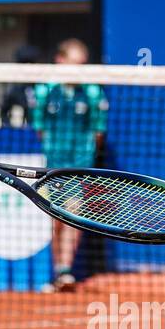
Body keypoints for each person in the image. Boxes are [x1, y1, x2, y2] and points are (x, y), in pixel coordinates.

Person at [32, 39, 106, 291]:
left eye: (82, 65)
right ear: (60, 61)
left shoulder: (93, 92)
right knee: (57, 218)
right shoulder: (45, 91)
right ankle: (58, 272)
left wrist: (85, 156)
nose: (79, 70)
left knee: (74, 212)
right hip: (53, 165)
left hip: (80, 165)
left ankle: (65, 271)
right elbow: (40, 128)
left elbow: (98, 131)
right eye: (75, 64)